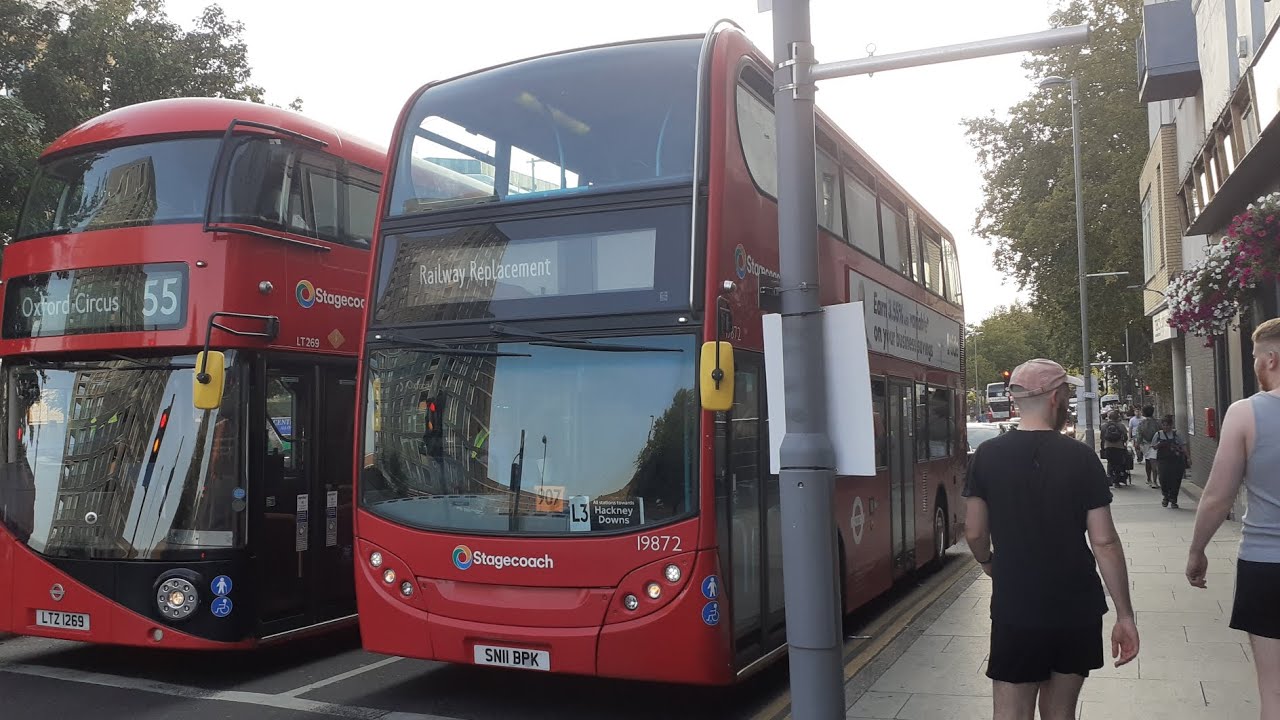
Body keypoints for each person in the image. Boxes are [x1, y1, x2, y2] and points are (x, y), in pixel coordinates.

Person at [965, 358, 1139, 720]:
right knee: (1060, 713)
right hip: (1076, 608)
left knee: (1011, 712)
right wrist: (1125, 614)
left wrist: (987, 562)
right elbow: (1104, 541)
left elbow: (975, 531)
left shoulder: (987, 456)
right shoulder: (1082, 458)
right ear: (1056, 398)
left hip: (1017, 606)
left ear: (1017, 401)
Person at [1186, 317, 1280, 720]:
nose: (1256, 366)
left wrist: (1197, 551)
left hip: (1267, 564)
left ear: (1271, 359)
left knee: (1274, 692)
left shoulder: (1246, 413)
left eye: (1256, 358)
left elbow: (1217, 497)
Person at [1152, 415, 1189, 508]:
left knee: (1175, 480)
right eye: (1163, 425)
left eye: (1167, 425)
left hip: (1176, 460)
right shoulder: (1158, 434)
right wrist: (1159, 445)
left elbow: (1183, 446)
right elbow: (1153, 446)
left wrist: (1188, 457)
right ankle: (1165, 496)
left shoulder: (1177, 434)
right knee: (1163, 478)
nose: (1165, 427)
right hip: (1163, 460)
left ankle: (1173, 499)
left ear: (1171, 425)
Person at [1100, 410, 1130, 487]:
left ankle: (1109, 480)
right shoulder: (1121, 426)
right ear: (1117, 417)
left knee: (1110, 463)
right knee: (1118, 463)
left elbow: (1102, 437)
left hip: (1108, 447)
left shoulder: (1104, 426)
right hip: (1119, 447)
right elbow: (1125, 437)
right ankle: (1117, 481)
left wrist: (1103, 447)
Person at [1135, 405, 1161, 489]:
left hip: (1145, 444)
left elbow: (1139, 435)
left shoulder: (1142, 423)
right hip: (1156, 444)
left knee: (1148, 461)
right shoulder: (1157, 422)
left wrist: (1137, 444)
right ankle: (1154, 481)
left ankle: (1149, 478)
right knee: (1154, 462)